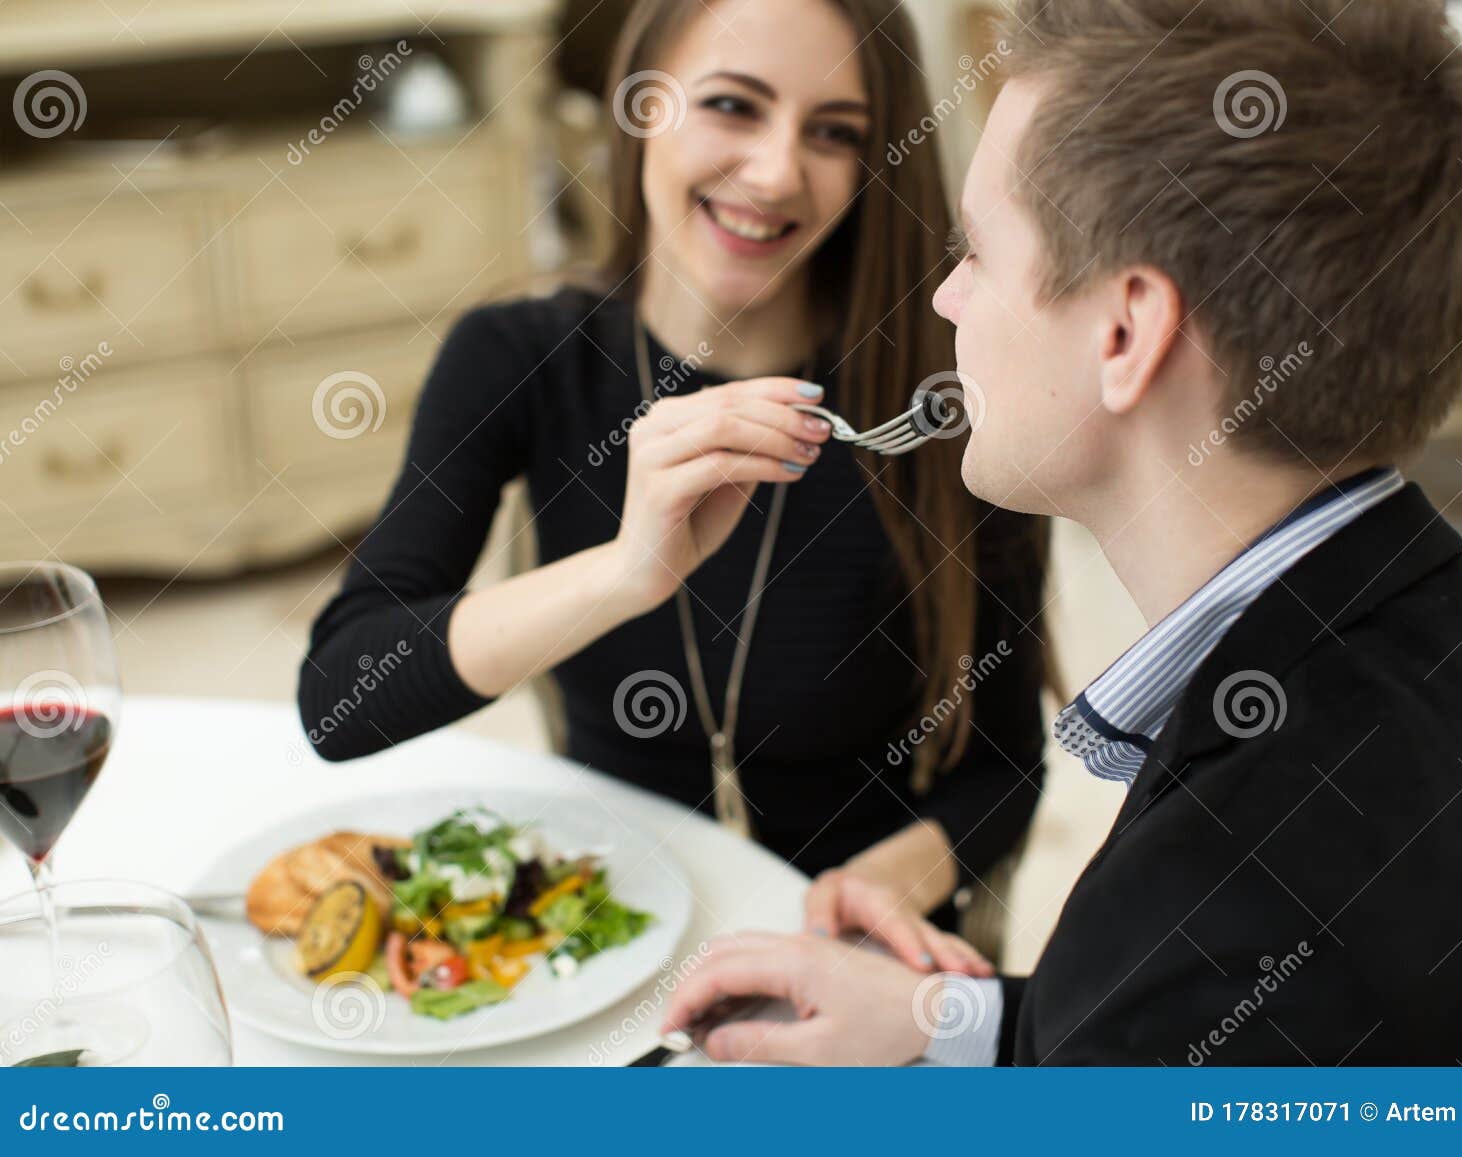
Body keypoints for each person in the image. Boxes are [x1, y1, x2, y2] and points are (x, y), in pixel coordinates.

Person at [662, 0, 1462, 1065]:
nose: (945, 297)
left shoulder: (1218, 917)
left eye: (977, 251)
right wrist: (949, 1022)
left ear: (1125, 331)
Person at [297, 0, 1060, 970]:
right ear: (640, 108)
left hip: (849, 968)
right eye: (733, 106)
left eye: (833, 132)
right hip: (606, 949)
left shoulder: (941, 396)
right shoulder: (519, 359)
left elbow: (1002, 770)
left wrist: (875, 889)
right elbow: (338, 699)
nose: (779, 172)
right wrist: (622, 572)